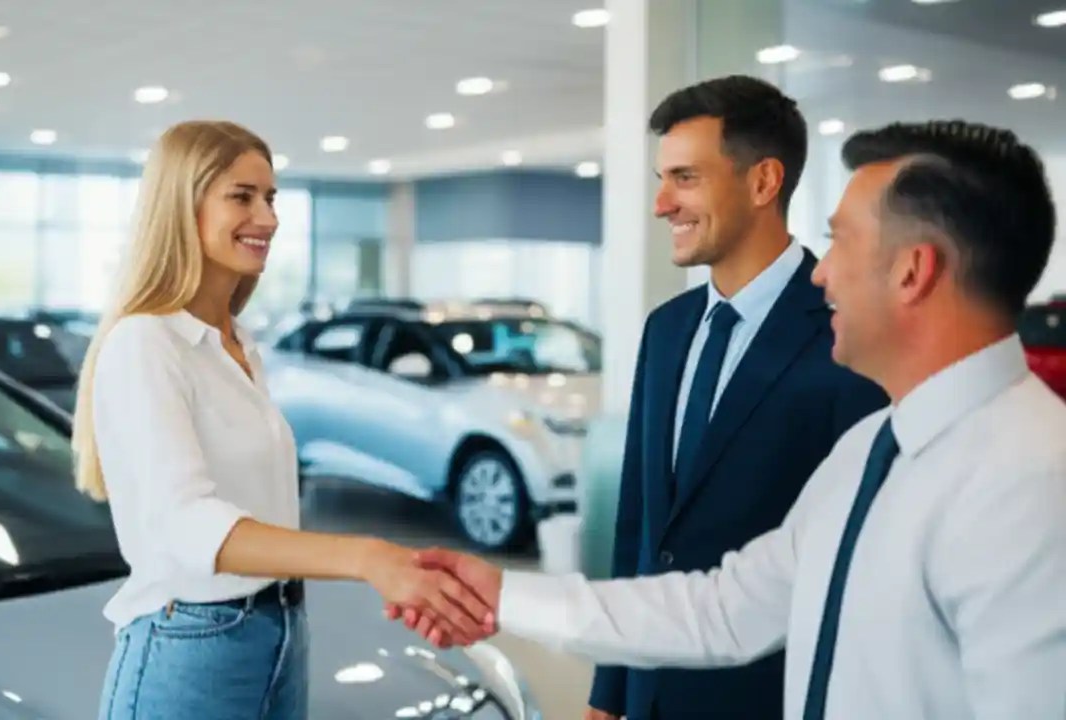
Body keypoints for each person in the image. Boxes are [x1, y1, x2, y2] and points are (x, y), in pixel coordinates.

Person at [393, 119, 1066, 719]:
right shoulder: (871, 450)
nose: (821, 273)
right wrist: (503, 595)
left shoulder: (1035, 481)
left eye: (840, 244)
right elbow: (722, 609)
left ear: (913, 271)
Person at [73, 120, 492, 720]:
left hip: (278, 627)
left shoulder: (237, 342)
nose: (267, 219)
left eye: (271, 198)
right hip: (189, 644)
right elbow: (188, 525)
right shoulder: (146, 343)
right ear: (181, 204)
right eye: (241, 197)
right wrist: (367, 557)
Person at [613, 74, 891, 720]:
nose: (661, 204)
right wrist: (613, 688)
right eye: (662, 178)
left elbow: (862, 566)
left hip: (770, 699)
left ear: (764, 182)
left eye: (685, 178)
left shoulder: (848, 336)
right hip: (652, 692)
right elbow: (638, 526)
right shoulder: (666, 330)